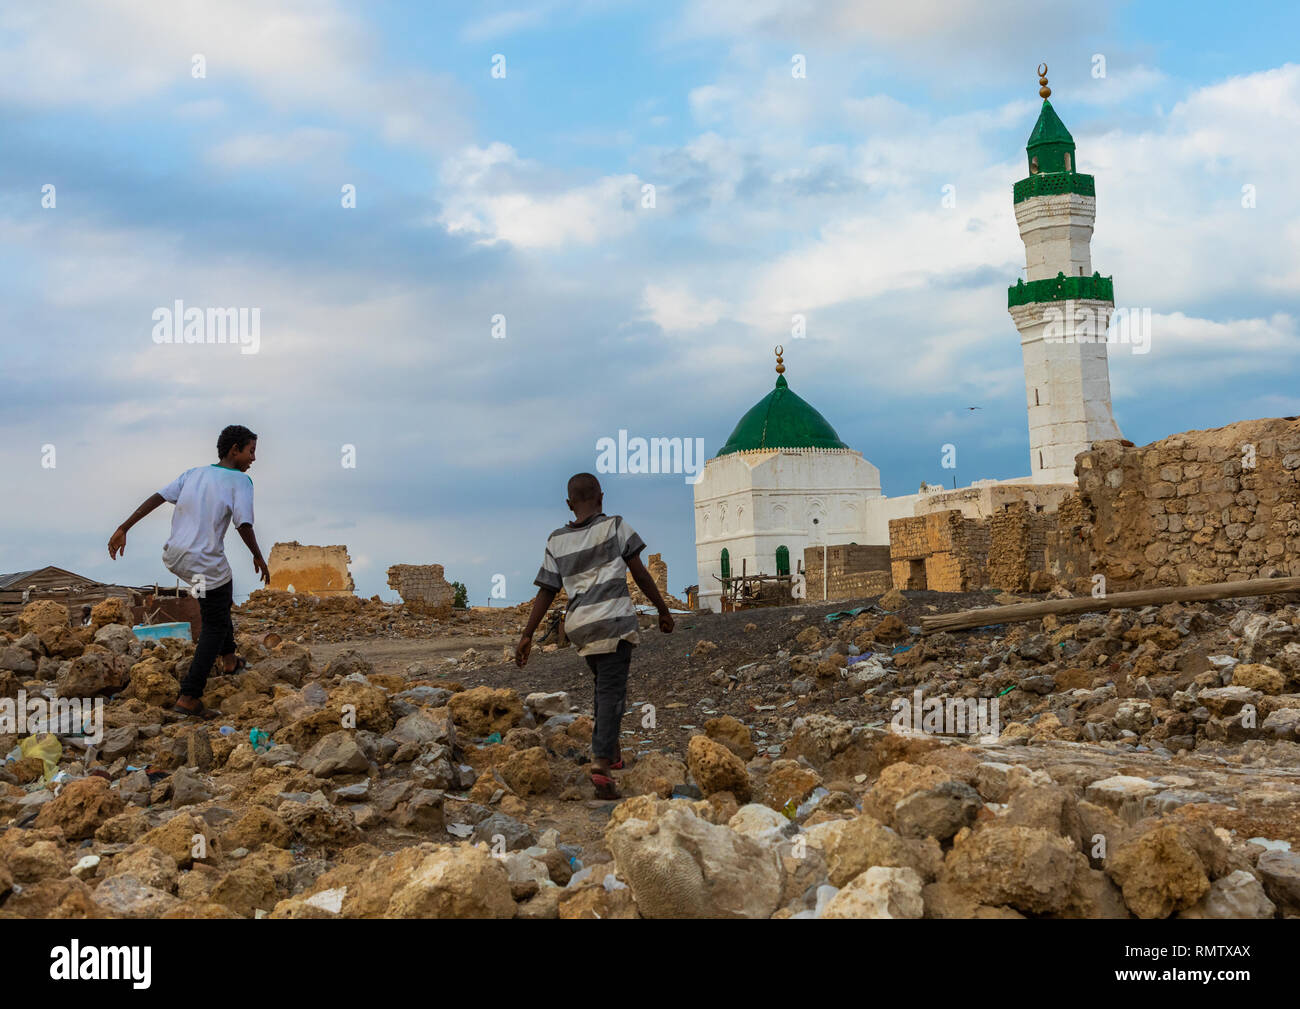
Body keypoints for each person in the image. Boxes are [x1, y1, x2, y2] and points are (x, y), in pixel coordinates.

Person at [516, 473, 673, 798]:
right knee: (611, 693)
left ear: (569, 504)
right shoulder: (615, 526)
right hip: (613, 622)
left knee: (605, 687)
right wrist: (662, 609)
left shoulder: (556, 540)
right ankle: (601, 763)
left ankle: (611, 752)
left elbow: (547, 590)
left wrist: (527, 634)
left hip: (581, 628)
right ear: (601, 497)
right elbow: (640, 574)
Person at [108, 425, 270, 717]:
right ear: (235, 450)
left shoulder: (193, 473)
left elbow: (157, 497)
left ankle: (230, 658)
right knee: (214, 622)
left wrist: (124, 527)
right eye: (251, 451)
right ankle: (189, 696)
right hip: (203, 559)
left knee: (218, 602)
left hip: (175, 556)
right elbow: (244, 524)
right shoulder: (241, 481)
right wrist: (258, 556)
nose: (253, 458)